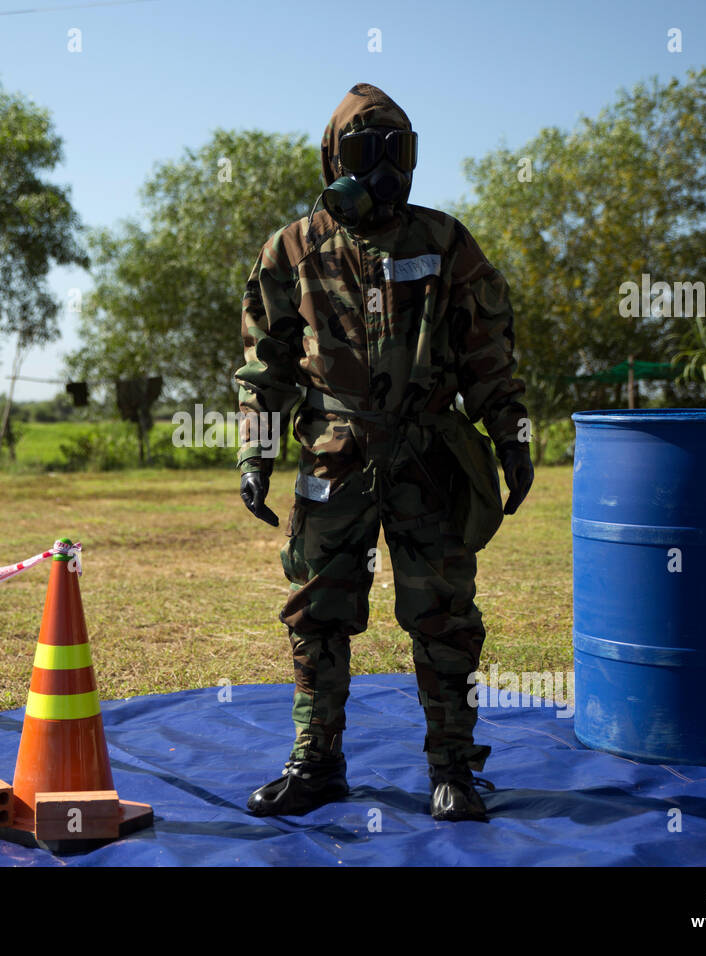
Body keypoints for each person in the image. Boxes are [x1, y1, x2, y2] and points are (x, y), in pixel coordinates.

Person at [234, 83, 534, 822]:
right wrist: (256, 452)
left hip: (430, 455)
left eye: (399, 151)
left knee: (444, 615)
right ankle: (318, 762)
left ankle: (454, 770)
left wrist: (513, 439)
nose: (387, 169)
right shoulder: (294, 248)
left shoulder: (444, 242)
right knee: (319, 614)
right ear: (335, 156)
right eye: (369, 152)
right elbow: (264, 365)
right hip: (335, 457)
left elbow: (489, 355)